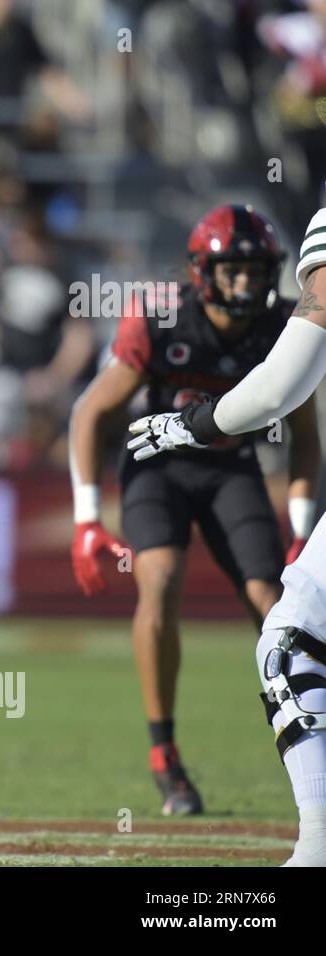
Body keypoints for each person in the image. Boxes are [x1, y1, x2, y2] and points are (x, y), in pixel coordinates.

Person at [69, 204, 320, 817]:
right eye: (233, 270)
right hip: (157, 466)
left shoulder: (275, 327)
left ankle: (311, 761)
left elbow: (307, 436)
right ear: (202, 272)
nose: (247, 283)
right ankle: (165, 756)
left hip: (231, 470)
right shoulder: (161, 316)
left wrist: (301, 528)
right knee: (159, 582)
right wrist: (85, 518)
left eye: (258, 270)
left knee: (277, 605)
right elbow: (91, 412)